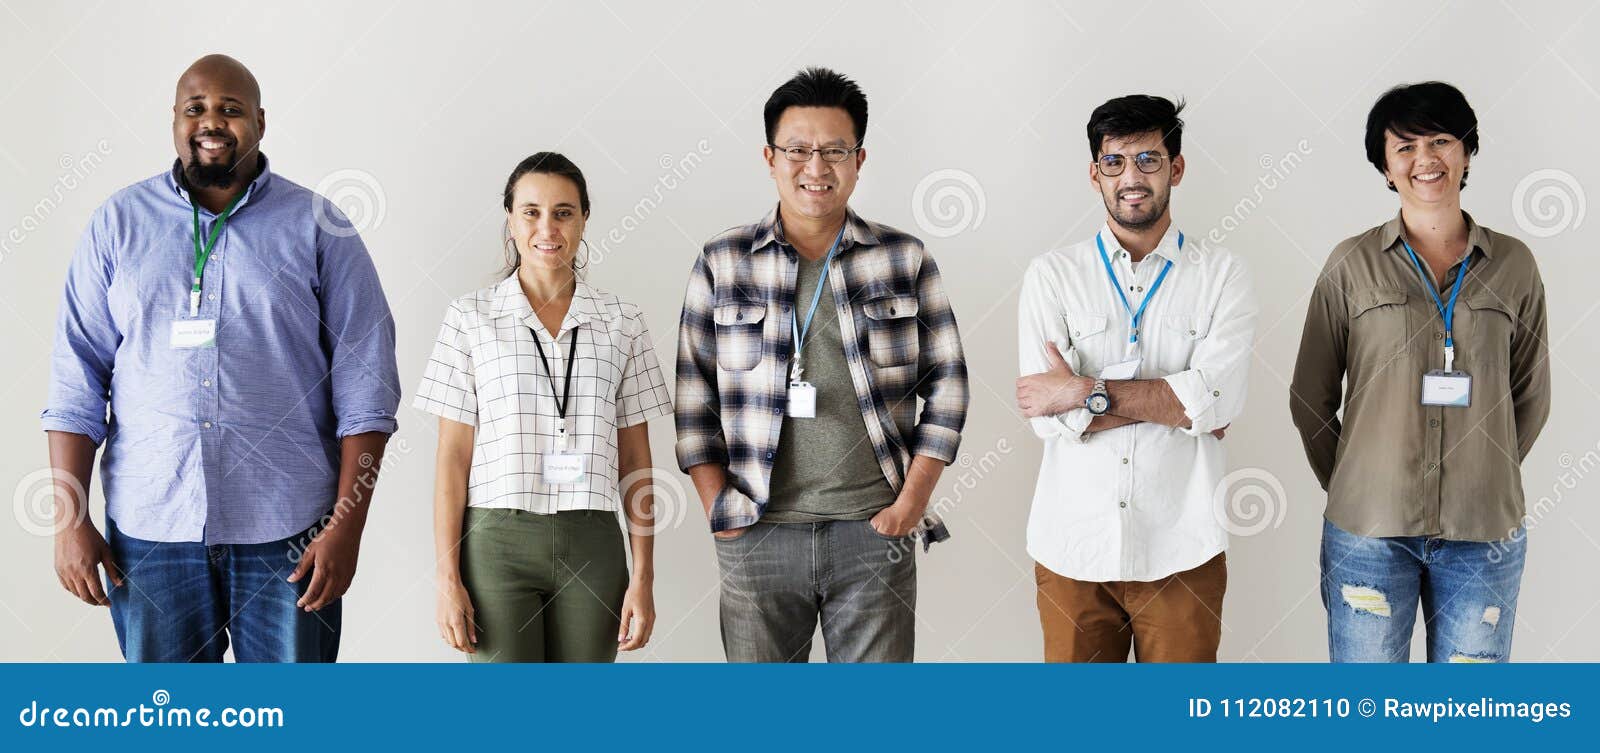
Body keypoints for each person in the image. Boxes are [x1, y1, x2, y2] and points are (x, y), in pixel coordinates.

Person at [43, 54, 400, 662]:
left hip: (290, 535)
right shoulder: (118, 224)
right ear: (175, 122)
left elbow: (367, 387)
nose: (212, 122)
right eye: (196, 108)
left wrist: (348, 524)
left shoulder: (319, 226)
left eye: (230, 109)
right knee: (170, 721)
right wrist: (69, 519)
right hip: (152, 535)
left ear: (259, 121)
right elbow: (76, 381)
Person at [674, 67, 969, 662]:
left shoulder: (903, 258)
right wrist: (719, 509)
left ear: (860, 159)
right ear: (769, 156)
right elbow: (693, 398)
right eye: (799, 150)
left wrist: (909, 505)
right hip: (757, 530)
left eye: (835, 151)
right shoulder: (722, 261)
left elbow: (949, 386)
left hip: (872, 531)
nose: (816, 167)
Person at [1290, 81, 1550, 663]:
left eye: (1440, 140)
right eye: (1404, 147)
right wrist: (1357, 480)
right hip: (1368, 532)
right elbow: (1309, 395)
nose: (1424, 159)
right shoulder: (1350, 264)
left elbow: (1531, 394)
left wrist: (1483, 469)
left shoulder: (1515, 265)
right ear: (1384, 166)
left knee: (1467, 720)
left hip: (1485, 532)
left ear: (1466, 152)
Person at [1015, 95, 1257, 662]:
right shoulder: (1052, 276)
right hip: (1072, 550)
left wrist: (1082, 391)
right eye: (1114, 162)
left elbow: (1218, 402)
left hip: (1184, 548)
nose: (1132, 177)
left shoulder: (1222, 274)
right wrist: (1179, 404)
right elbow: (1049, 423)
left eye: (1148, 160)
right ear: (1094, 173)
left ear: (1176, 168)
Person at [417, 153, 673, 662]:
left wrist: (642, 578)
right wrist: (447, 580)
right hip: (496, 544)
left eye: (563, 212)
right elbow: (452, 458)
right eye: (531, 211)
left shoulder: (622, 320)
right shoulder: (470, 317)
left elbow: (636, 461)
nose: (547, 227)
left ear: (583, 220)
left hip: (594, 542)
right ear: (510, 220)